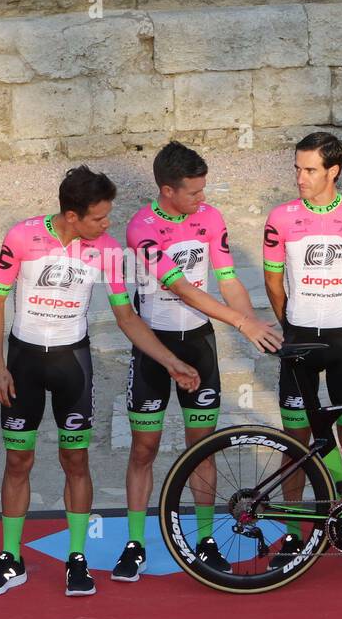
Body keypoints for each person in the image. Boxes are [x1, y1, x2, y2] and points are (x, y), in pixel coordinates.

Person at [0, 166, 200, 596]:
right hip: (22, 362)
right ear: (72, 216)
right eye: (99, 218)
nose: (107, 224)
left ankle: (76, 557)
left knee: (74, 460)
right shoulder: (22, 236)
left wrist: (170, 360)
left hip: (72, 365)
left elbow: (126, 317)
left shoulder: (108, 251)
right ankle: (10, 559)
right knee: (18, 461)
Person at [114, 142, 282, 582]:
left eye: (204, 189)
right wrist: (241, 325)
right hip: (154, 347)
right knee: (144, 449)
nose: (202, 199)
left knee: (201, 446)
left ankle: (205, 538)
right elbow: (185, 290)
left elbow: (226, 280)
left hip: (199, 344)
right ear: (167, 190)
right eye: (193, 192)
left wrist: (251, 321)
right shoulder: (141, 228)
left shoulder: (209, 218)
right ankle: (135, 543)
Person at [262, 132, 342, 573]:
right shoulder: (280, 217)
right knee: (296, 443)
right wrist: (291, 327)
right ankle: (295, 535)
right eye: (297, 168)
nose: (300, 177)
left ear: (333, 171)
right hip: (298, 340)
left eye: (310, 169)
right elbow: (274, 282)